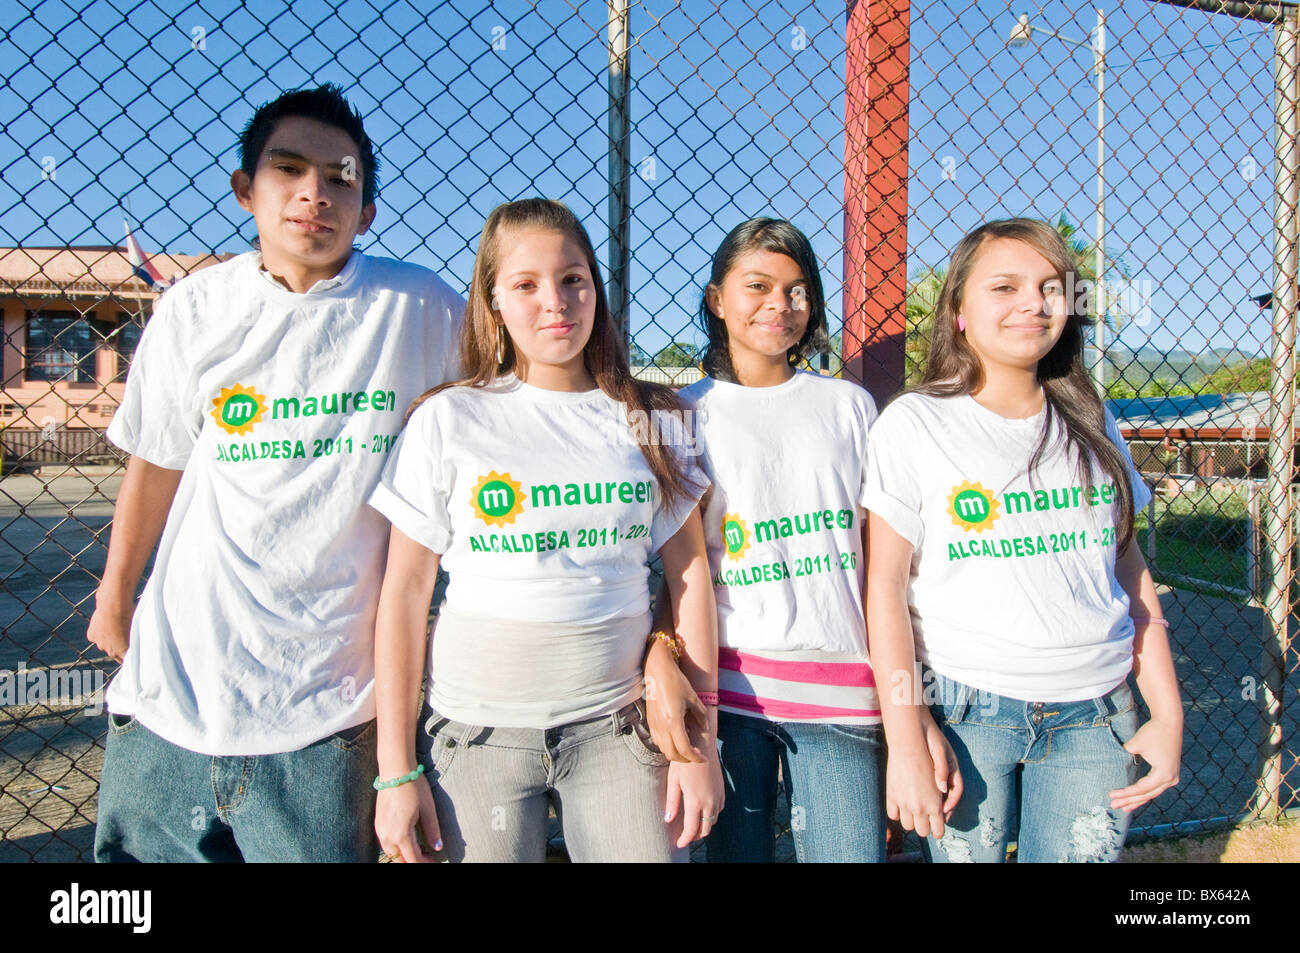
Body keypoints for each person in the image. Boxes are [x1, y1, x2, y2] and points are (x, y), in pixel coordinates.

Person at [89, 84, 464, 862]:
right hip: (170, 705)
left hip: (325, 718)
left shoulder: (421, 309)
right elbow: (155, 464)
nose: (313, 193)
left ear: (366, 210)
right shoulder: (194, 309)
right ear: (245, 191)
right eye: (287, 169)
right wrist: (114, 590)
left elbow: (499, 423)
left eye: (340, 178)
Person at [368, 198, 721, 863]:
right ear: (493, 302)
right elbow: (406, 594)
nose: (555, 301)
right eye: (526, 285)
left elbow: (690, 576)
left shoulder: (654, 416)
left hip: (618, 727)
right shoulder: (451, 417)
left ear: (596, 288)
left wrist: (702, 743)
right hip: (476, 736)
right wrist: (396, 770)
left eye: (573, 279)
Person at [864, 217, 1183, 863]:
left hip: (1098, 714)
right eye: (1004, 286)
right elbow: (884, 588)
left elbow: (1129, 570)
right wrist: (905, 733)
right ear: (957, 310)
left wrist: (1168, 712)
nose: (1033, 303)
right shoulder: (916, 423)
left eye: (1050, 287)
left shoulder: (1093, 421)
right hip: (965, 712)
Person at [643, 217, 925, 862]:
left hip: (842, 688)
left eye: (797, 290)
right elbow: (683, 571)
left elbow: (879, 559)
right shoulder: (681, 412)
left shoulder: (848, 406)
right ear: (717, 300)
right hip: (729, 692)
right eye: (758, 286)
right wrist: (663, 651)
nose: (780, 304)